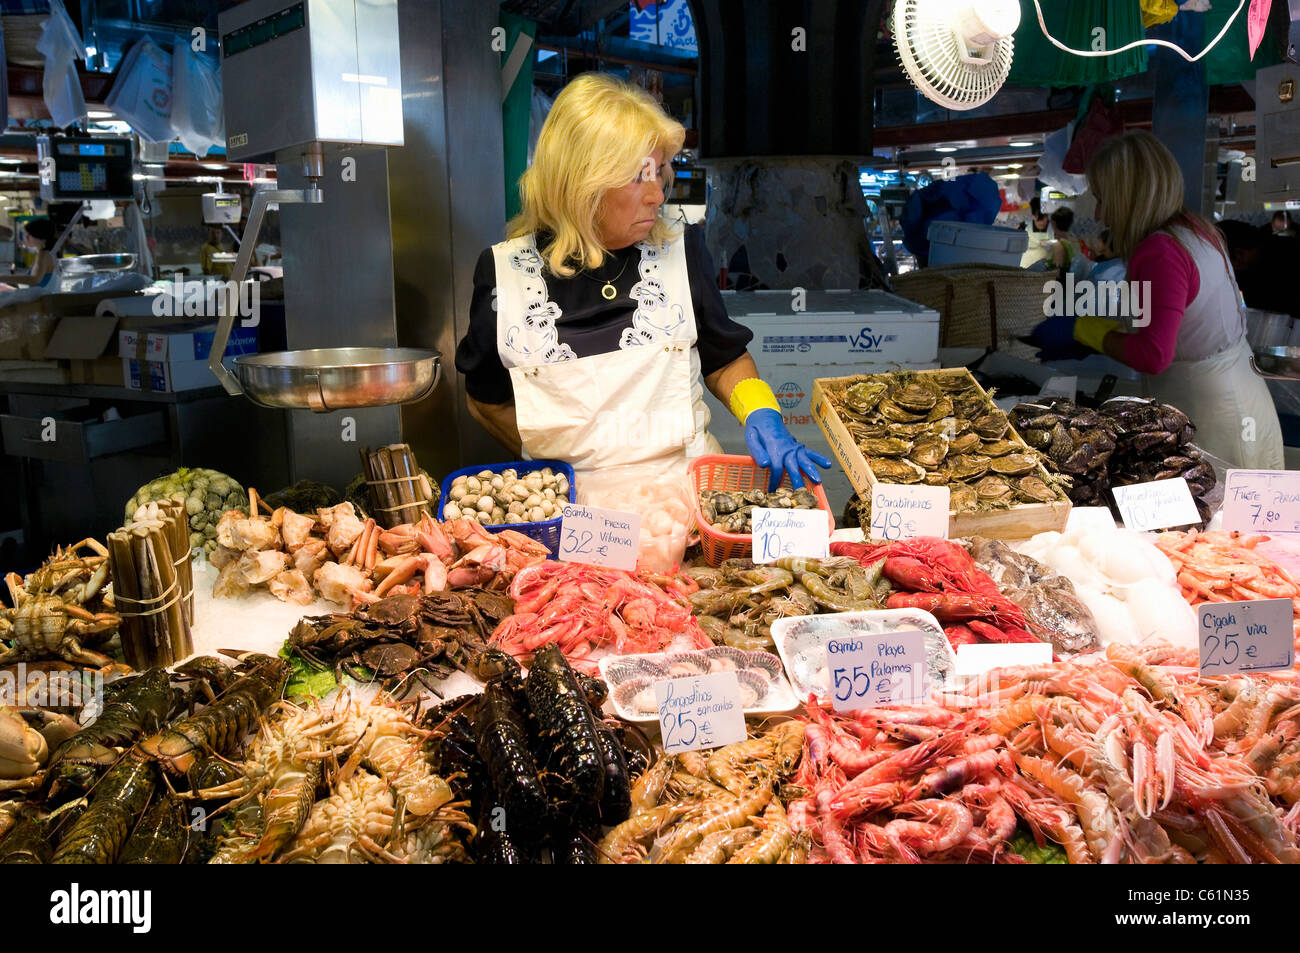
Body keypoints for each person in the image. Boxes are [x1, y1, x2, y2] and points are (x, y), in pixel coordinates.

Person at [455, 73, 831, 492]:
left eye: (659, 172)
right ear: (580, 184)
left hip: (688, 504)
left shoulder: (681, 248)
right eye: (638, 176)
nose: (657, 194)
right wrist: (554, 473)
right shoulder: (504, 274)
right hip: (580, 528)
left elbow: (723, 358)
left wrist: (761, 412)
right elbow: (485, 397)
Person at [1028, 131, 1284, 469]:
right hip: (1242, 400)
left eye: (1104, 199)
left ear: (1129, 197)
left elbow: (1154, 354)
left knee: (1214, 518)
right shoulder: (1194, 229)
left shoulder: (1159, 250)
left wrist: (1083, 329)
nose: (1102, 213)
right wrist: (1104, 335)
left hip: (1212, 415)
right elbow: (1176, 321)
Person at [6, 219, 57, 286]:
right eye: (25, 234)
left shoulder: (43, 255)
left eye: (29, 235)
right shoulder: (43, 253)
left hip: (40, 295)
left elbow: (34, 279)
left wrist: (3, 278)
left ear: (41, 237)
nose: (26, 238)